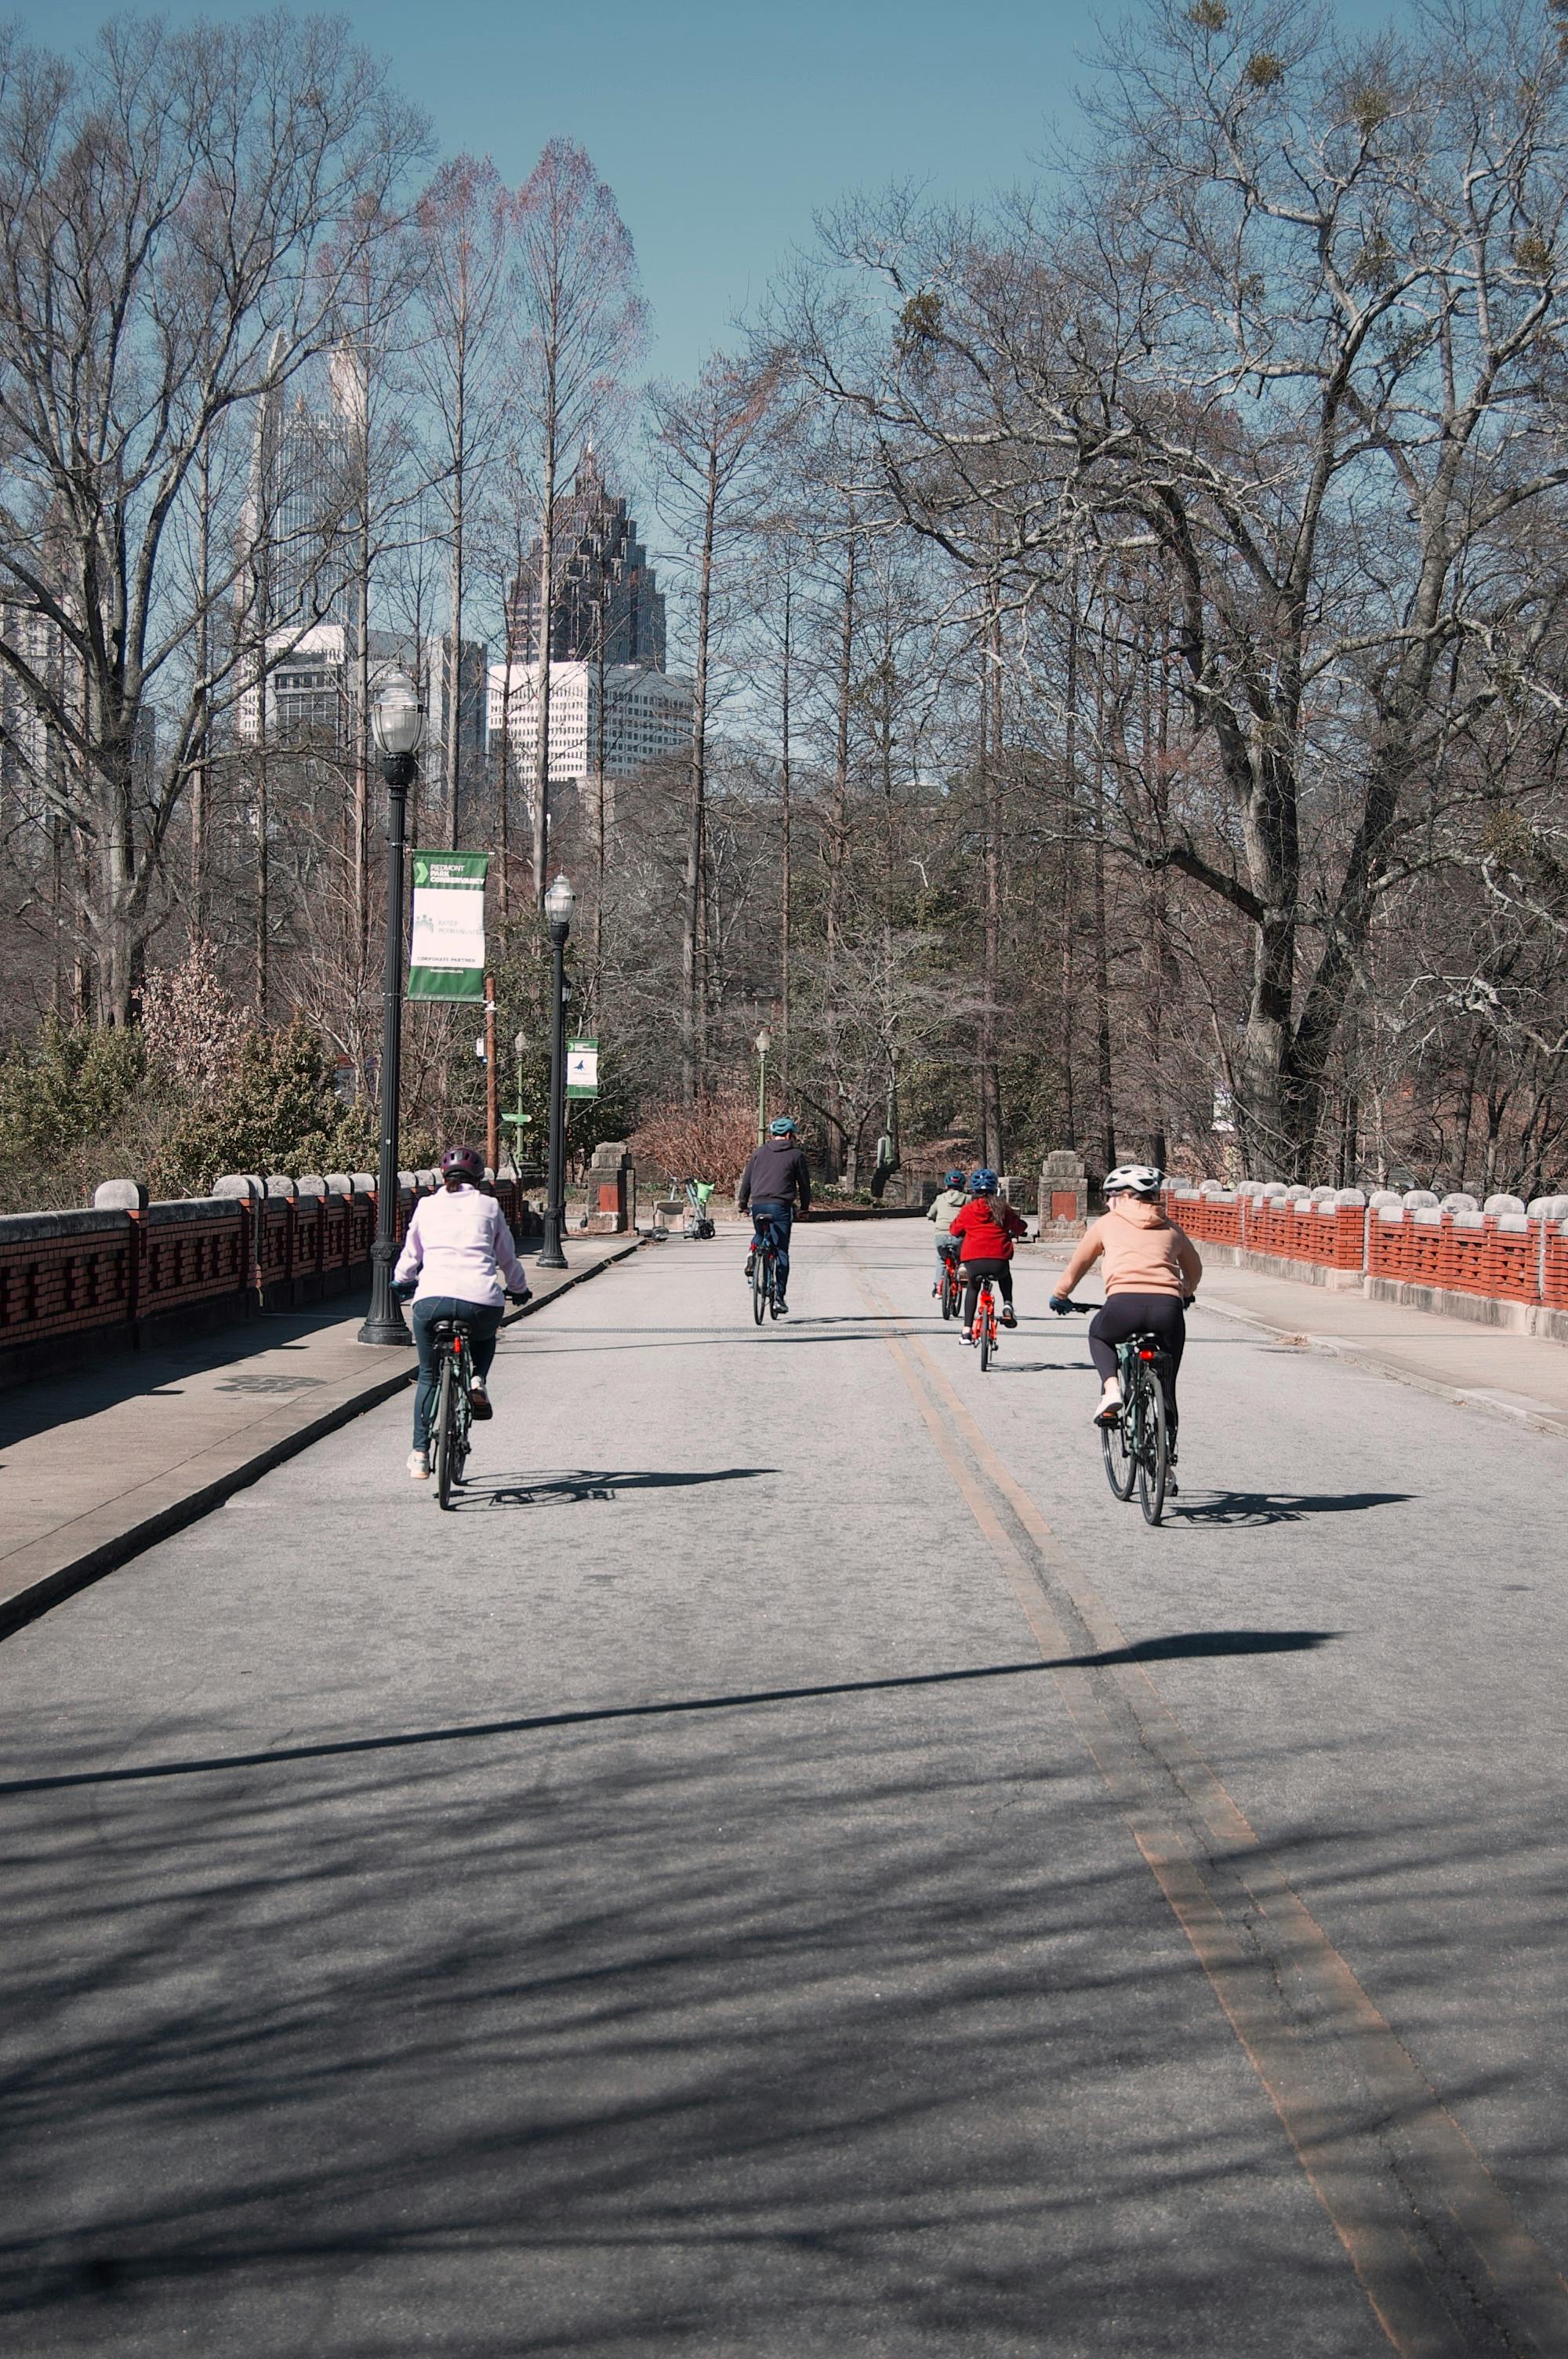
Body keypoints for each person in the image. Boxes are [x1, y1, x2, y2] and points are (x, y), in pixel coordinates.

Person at [1049, 1163, 1202, 1470]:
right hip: (1167, 1310)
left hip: (1123, 1305)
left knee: (1099, 1334)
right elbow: (1194, 1269)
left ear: (1125, 1197)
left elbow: (1079, 1263)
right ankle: (1165, 1461)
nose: (1107, 1202)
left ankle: (1112, 1390)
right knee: (1167, 1386)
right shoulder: (1171, 1227)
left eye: (1110, 1196)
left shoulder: (1106, 1224)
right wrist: (1185, 1293)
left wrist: (1061, 1295)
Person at [393, 1144, 532, 1481]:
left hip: (431, 1302)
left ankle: (420, 1454)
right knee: (485, 1337)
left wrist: (401, 1281)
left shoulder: (426, 1206)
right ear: (479, 1178)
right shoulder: (489, 1206)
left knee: (428, 1376)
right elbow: (507, 1257)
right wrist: (519, 1288)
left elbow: (411, 1255)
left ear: (444, 1177)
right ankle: (477, 1378)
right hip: (480, 1302)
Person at [736, 1114, 812, 1314]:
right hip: (780, 1206)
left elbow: (747, 1181)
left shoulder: (759, 1153)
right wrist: (804, 1208)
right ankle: (779, 1298)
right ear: (788, 1135)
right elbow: (804, 1185)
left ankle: (753, 1253)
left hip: (759, 1204)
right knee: (781, 1251)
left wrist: (743, 1204)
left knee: (760, 1234)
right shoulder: (796, 1155)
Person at [946, 1168, 1027, 1339]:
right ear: (994, 1188)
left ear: (973, 1190)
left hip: (974, 1261)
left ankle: (966, 1331)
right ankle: (1008, 1305)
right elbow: (1019, 1227)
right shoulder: (1003, 1209)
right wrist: (1020, 1228)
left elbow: (954, 1230)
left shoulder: (968, 1209)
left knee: (973, 1287)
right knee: (1005, 1275)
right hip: (998, 1261)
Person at [926, 1168, 970, 1296]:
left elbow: (930, 1214)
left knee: (941, 1259)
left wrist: (935, 1219)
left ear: (946, 1185)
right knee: (962, 1256)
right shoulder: (968, 1199)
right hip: (959, 1236)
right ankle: (962, 1269)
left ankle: (938, 1287)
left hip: (941, 1236)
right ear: (963, 1185)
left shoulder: (940, 1198)